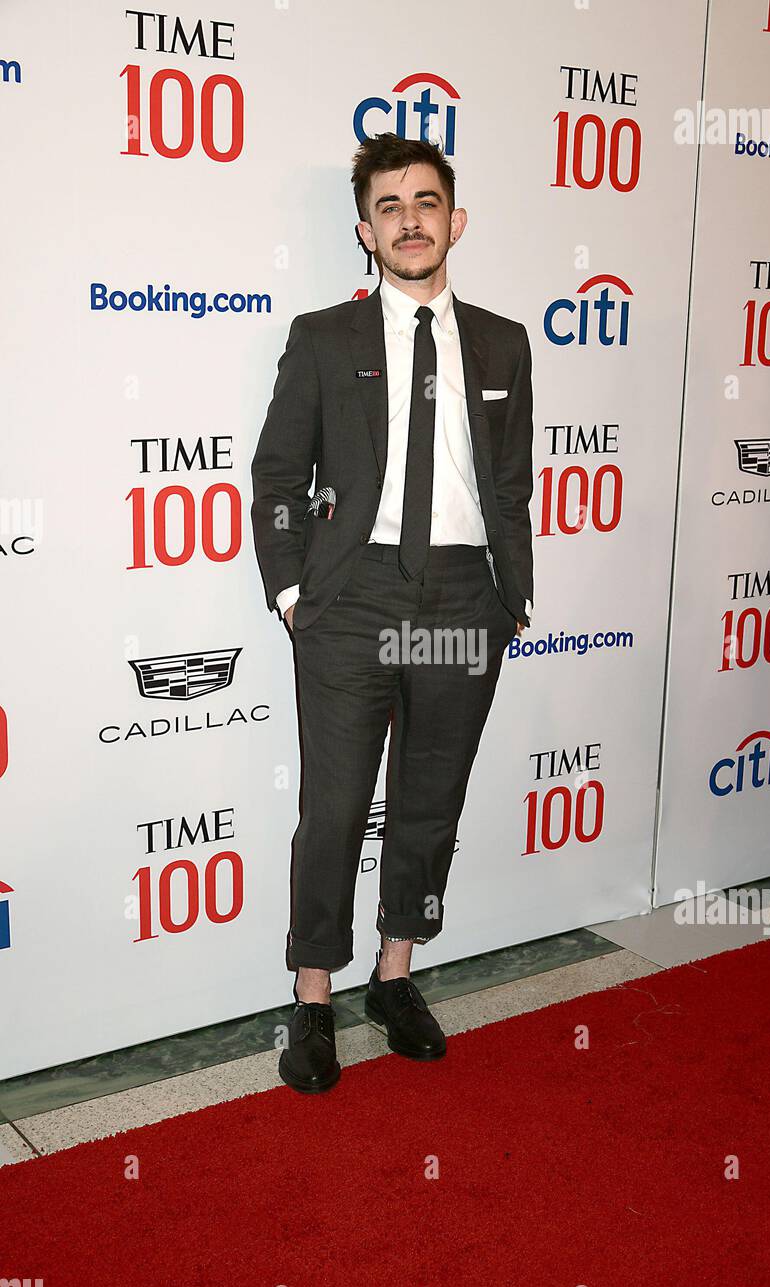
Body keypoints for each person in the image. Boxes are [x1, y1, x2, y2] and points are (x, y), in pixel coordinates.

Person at [250, 132, 534, 1094]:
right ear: (366, 231)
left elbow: (508, 478)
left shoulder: (502, 341)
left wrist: (510, 595)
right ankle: (314, 993)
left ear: (455, 221)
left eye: (425, 203)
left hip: (462, 595)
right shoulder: (324, 337)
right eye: (389, 207)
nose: (409, 220)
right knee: (331, 808)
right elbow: (280, 475)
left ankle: (396, 975)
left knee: (429, 799)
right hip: (353, 597)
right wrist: (293, 593)